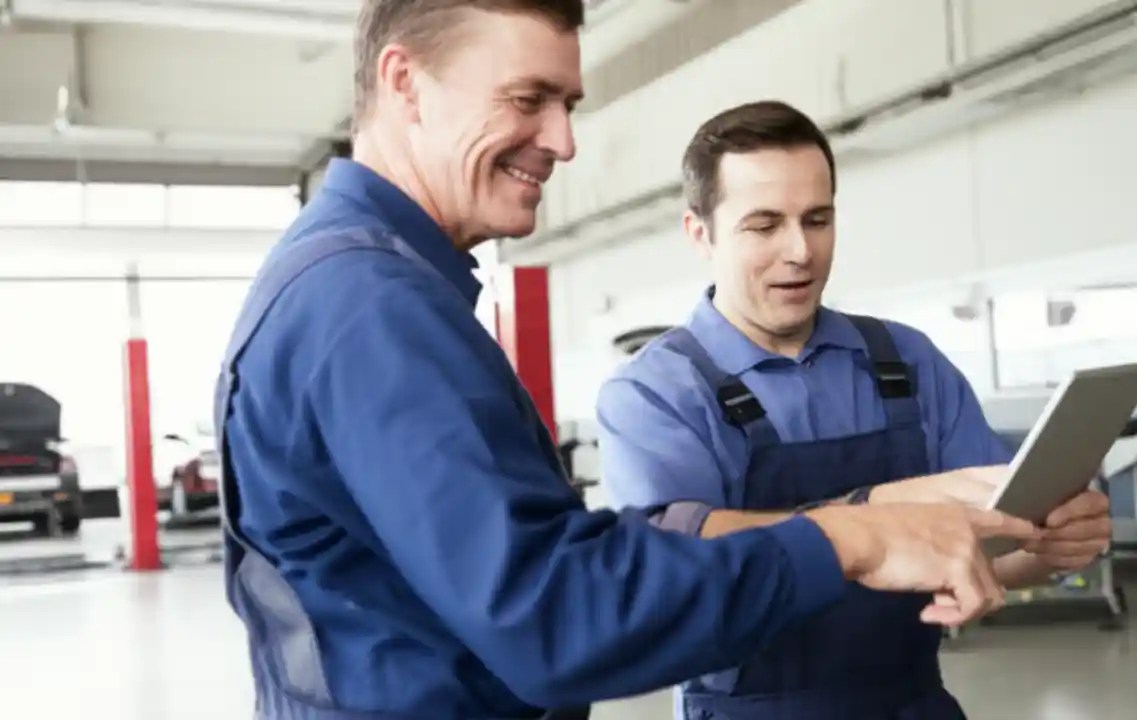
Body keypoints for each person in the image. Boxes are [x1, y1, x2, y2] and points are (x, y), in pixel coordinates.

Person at [214, 3, 1043, 719]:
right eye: (528, 99)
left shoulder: (370, 286)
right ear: (405, 82)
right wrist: (851, 537)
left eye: (568, 103)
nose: (564, 141)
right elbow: (559, 615)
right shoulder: (369, 306)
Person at [595, 99, 1114, 720]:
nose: (800, 251)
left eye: (817, 219)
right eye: (764, 226)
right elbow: (673, 577)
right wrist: (881, 515)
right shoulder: (655, 393)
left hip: (910, 703)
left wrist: (1053, 549)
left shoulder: (906, 362)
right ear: (700, 233)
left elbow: (991, 546)